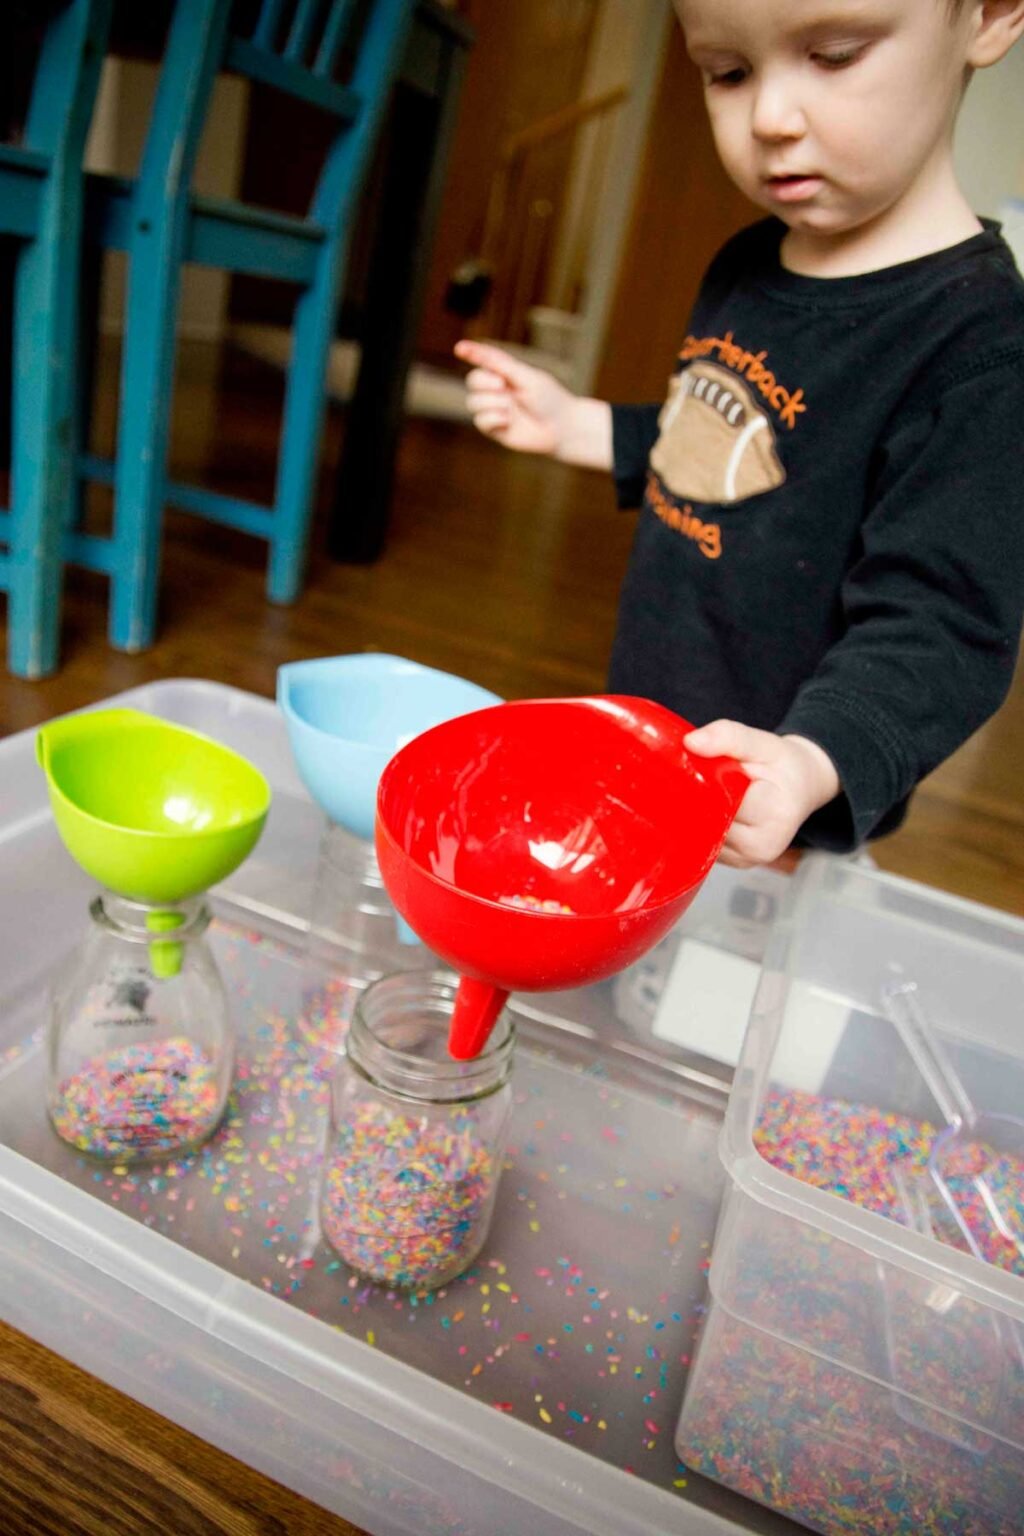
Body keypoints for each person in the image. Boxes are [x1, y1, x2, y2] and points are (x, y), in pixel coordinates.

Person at [455, 0, 1024, 868]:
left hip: (781, 800)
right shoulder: (749, 262)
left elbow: (945, 626)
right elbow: (729, 448)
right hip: (657, 743)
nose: (768, 118)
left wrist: (808, 763)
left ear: (987, 16)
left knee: (730, 998)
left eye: (832, 55)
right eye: (727, 72)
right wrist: (581, 426)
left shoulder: (979, 343)